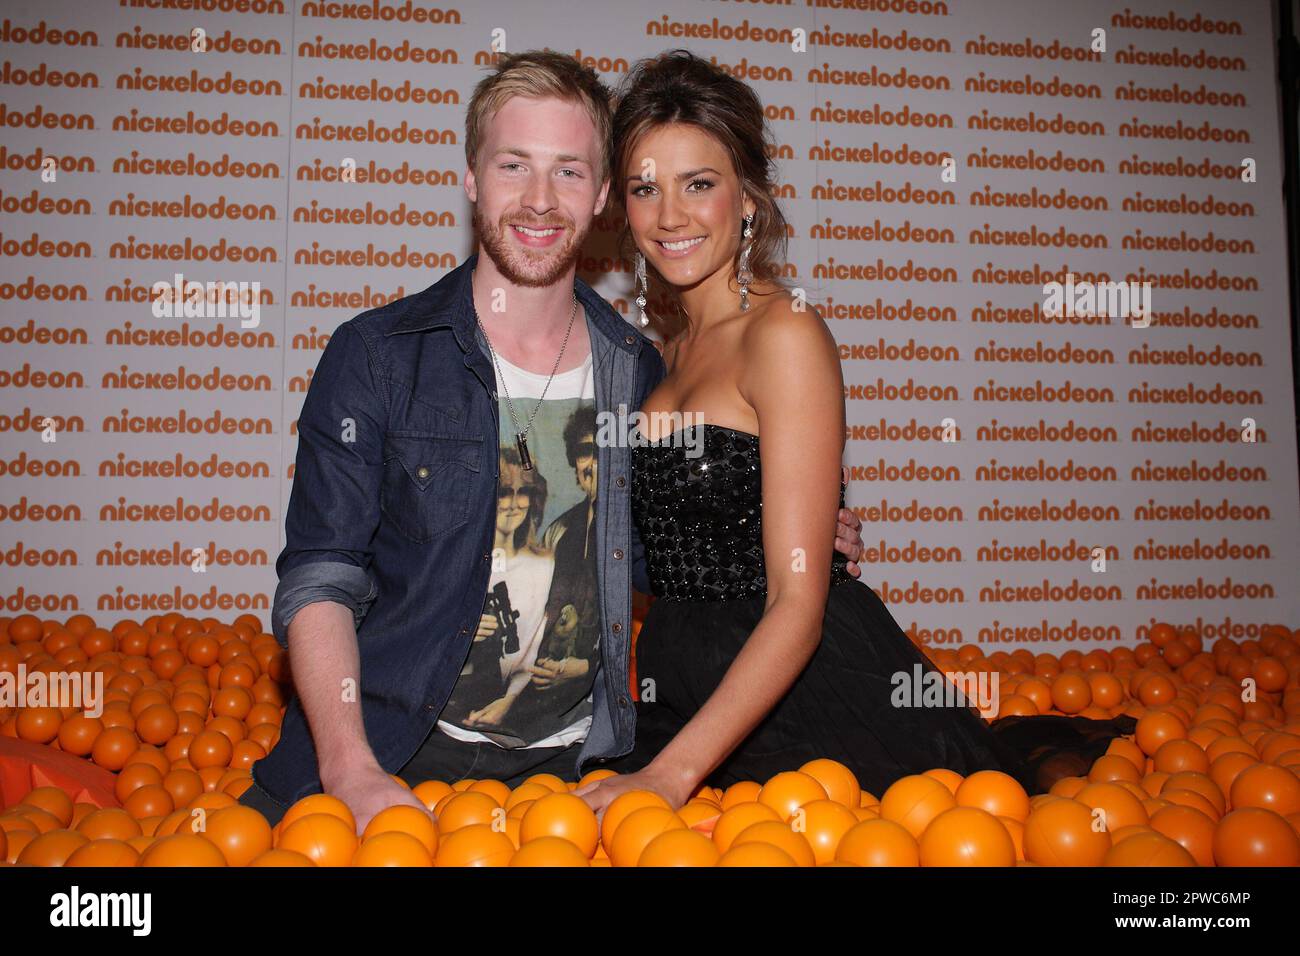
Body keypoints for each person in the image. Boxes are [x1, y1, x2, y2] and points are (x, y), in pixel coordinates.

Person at [238, 50, 866, 831]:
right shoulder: (379, 356)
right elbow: (320, 576)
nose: (539, 201)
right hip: (390, 750)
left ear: (599, 196)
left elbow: (655, 549)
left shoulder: (636, 372)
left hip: (572, 773)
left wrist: (777, 526)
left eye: (568, 172)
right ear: (471, 178)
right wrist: (350, 769)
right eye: (514, 166)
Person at [576, 51, 1133, 812]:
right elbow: (660, 544)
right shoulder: (656, 357)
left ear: (747, 198)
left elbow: (797, 602)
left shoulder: (786, 334)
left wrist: (671, 775)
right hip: (676, 684)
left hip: (800, 691)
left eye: (698, 184)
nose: (670, 216)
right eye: (646, 188)